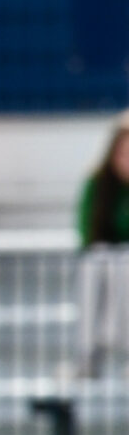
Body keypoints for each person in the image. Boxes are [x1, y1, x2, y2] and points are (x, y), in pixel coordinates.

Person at [73, 112, 129, 377]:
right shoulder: (97, 184)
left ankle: (122, 344)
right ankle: (88, 354)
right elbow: (88, 232)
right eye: (123, 154)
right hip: (104, 261)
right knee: (94, 265)